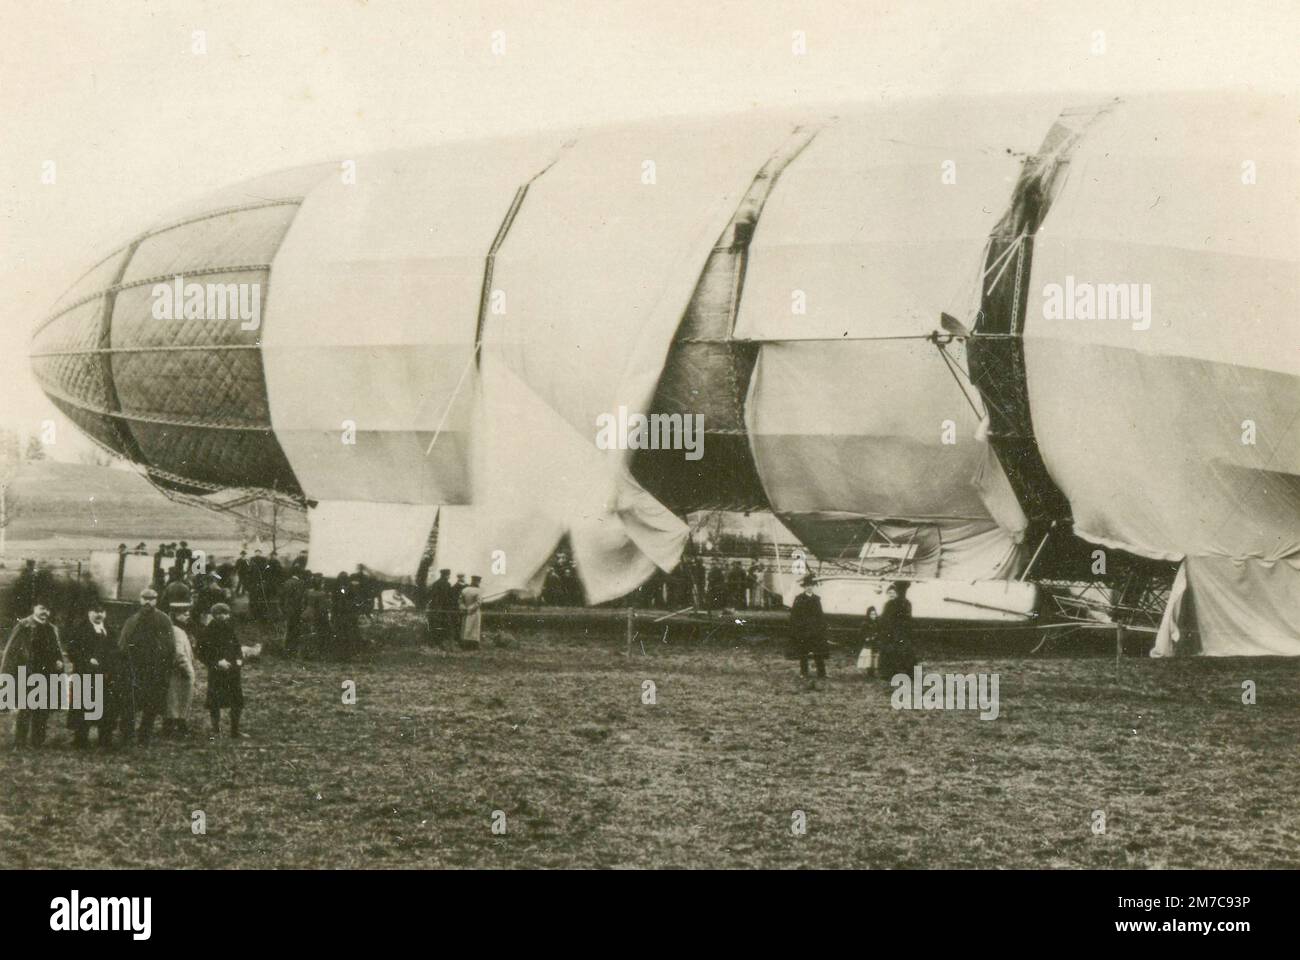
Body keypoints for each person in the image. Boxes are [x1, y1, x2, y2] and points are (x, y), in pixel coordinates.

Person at [1, 600, 65, 748]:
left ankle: (37, 741)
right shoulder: (24, 626)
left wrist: (58, 662)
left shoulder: (51, 628)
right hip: (28, 672)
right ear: (34, 608)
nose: (45, 612)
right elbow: (11, 651)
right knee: (25, 708)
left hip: (47, 674)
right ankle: (20, 742)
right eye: (42, 608)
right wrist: (8, 674)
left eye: (48, 610)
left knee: (43, 709)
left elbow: (56, 650)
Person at [117, 588, 175, 744]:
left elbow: (170, 646)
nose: (148, 602)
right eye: (145, 598)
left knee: (152, 704)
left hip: (155, 669)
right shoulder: (132, 620)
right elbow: (122, 644)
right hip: (134, 668)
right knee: (129, 703)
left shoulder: (164, 620)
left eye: (152, 598)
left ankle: (145, 735)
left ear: (156, 600)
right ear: (140, 600)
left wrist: (166, 667)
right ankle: (127, 735)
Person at [65, 602, 120, 749]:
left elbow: (116, 651)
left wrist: (110, 664)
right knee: (84, 707)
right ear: (89, 613)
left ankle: (105, 739)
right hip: (85, 675)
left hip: (105, 676)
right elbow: (72, 651)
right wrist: (87, 660)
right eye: (95, 611)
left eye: (102, 612)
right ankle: (80, 740)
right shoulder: (80, 630)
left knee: (106, 707)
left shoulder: (110, 630)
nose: (99, 614)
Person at [200, 603, 244, 738]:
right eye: (219, 613)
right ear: (213, 615)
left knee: (236, 701)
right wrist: (217, 662)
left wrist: (239, 659)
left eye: (225, 613)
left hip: (233, 671)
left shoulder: (230, 628)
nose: (222, 616)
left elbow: (237, 647)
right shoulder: (208, 631)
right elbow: (201, 652)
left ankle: (235, 731)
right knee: (215, 702)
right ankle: (216, 730)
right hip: (217, 672)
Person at [163, 604, 197, 737]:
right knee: (177, 698)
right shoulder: (176, 631)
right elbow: (178, 652)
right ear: (176, 616)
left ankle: (175, 725)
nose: (187, 616)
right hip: (179, 671)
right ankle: (173, 726)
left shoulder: (180, 630)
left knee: (177, 698)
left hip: (179, 670)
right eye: (184, 614)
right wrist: (186, 668)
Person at [789, 575, 828, 687]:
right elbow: (794, 615)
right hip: (804, 629)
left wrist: (821, 627)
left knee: (818, 652)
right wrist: (798, 628)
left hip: (815, 630)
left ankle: (822, 673)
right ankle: (804, 672)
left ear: (813, 586)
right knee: (803, 652)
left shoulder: (816, 599)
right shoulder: (799, 598)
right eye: (807, 586)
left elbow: (820, 615)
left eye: (811, 585)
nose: (809, 588)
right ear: (804, 587)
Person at [877, 581, 917, 679]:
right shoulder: (905, 603)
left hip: (896, 631)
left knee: (894, 651)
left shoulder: (893, 603)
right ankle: (905, 673)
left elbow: (884, 618)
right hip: (897, 631)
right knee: (901, 651)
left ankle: (890, 673)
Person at [426, 568, 457, 649]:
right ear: (446, 575)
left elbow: (431, 595)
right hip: (443, 608)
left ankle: (434, 643)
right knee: (443, 625)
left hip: (435, 607)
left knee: (435, 625)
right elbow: (448, 597)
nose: (449, 576)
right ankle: (441, 643)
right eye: (448, 575)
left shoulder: (436, 583)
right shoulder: (447, 584)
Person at [279, 568, 307, 655]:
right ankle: (291, 649)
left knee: (286, 629)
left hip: (286, 609)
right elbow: (299, 598)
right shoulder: (300, 583)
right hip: (295, 610)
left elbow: (281, 597)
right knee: (294, 630)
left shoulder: (286, 582)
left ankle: (283, 648)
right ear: (299, 574)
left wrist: (282, 608)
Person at [857, 606, 882, 677]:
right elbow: (861, 633)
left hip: (875, 642)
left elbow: (879, 631)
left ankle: (872, 671)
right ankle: (869, 671)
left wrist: (877, 636)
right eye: (871, 614)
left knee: (874, 657)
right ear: (868, 615)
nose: (873, 616)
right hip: (869, 642)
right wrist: (866, 637)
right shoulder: (865, 623)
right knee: (868, 656)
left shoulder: (877, 623)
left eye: (874, 614)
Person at [459, 575, 483, 648]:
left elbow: (460, 601)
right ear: (477, 582)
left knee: (466, 628)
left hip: (466, 612)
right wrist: (470, 608)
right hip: (474, 612)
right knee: (474, 629)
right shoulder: (478, 591)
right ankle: (474, 645)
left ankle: (465, 644)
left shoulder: (464, 590)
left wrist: (464, 608)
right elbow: (478, 602)